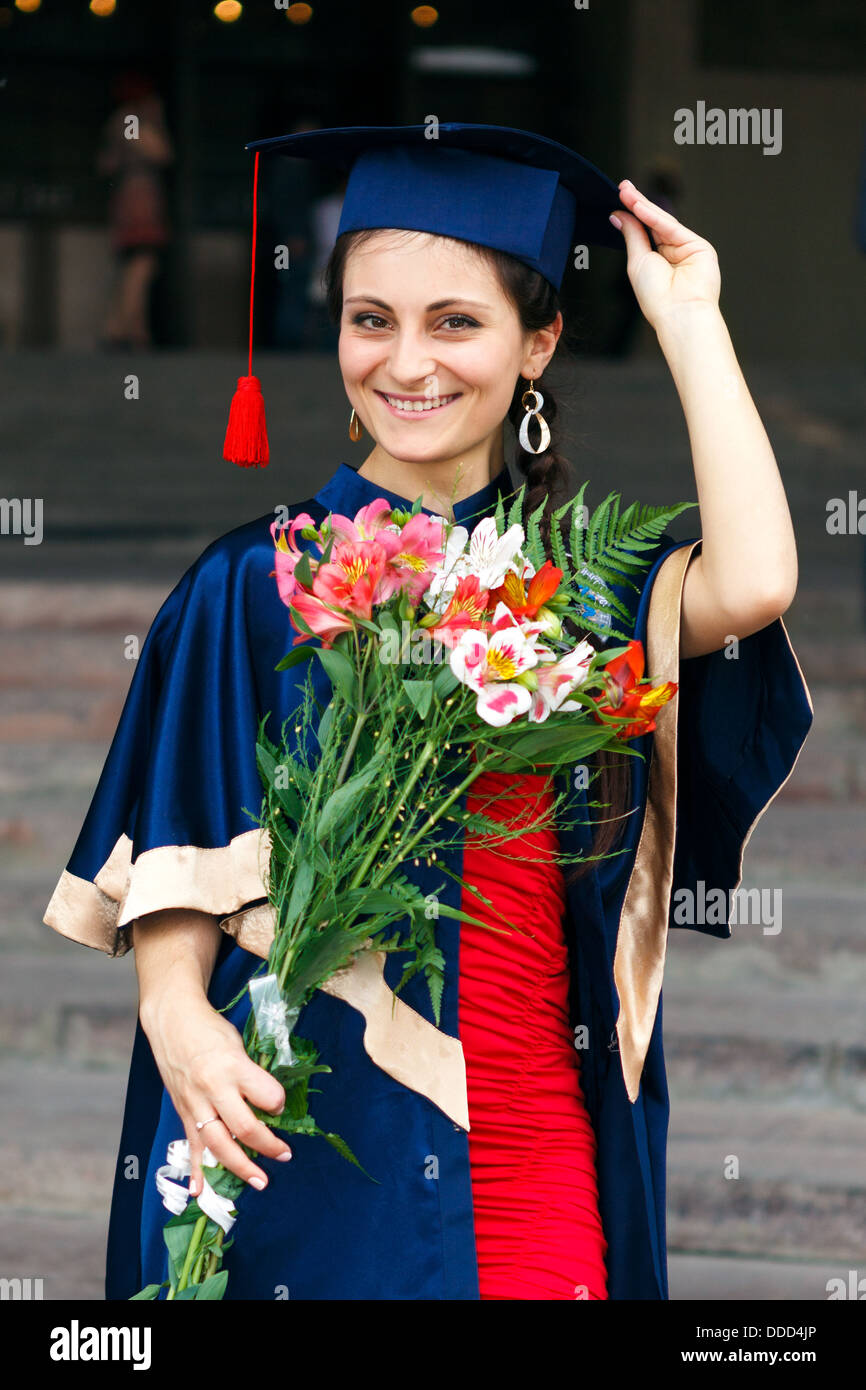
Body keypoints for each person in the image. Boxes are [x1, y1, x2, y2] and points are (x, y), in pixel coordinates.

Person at [43, 123, 813, 1301]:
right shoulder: (255, 582)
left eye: (456, 321)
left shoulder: (565, 585)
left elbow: (753, 580)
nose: (407, 362)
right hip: (303, 1149)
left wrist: (689, 319)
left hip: (532, 1138)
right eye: (370, 319)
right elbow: (176, 858)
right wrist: (177, 1023)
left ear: (536, 340)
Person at [97, 73, 173, 351]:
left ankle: (131, 329)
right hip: (139, 197)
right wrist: (157, 120)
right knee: (142, 262)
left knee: (136, 266)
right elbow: (162, 152)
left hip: (132, 194)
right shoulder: (131, 119)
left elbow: (106, 162)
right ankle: (120, 329)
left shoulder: (119, 120)